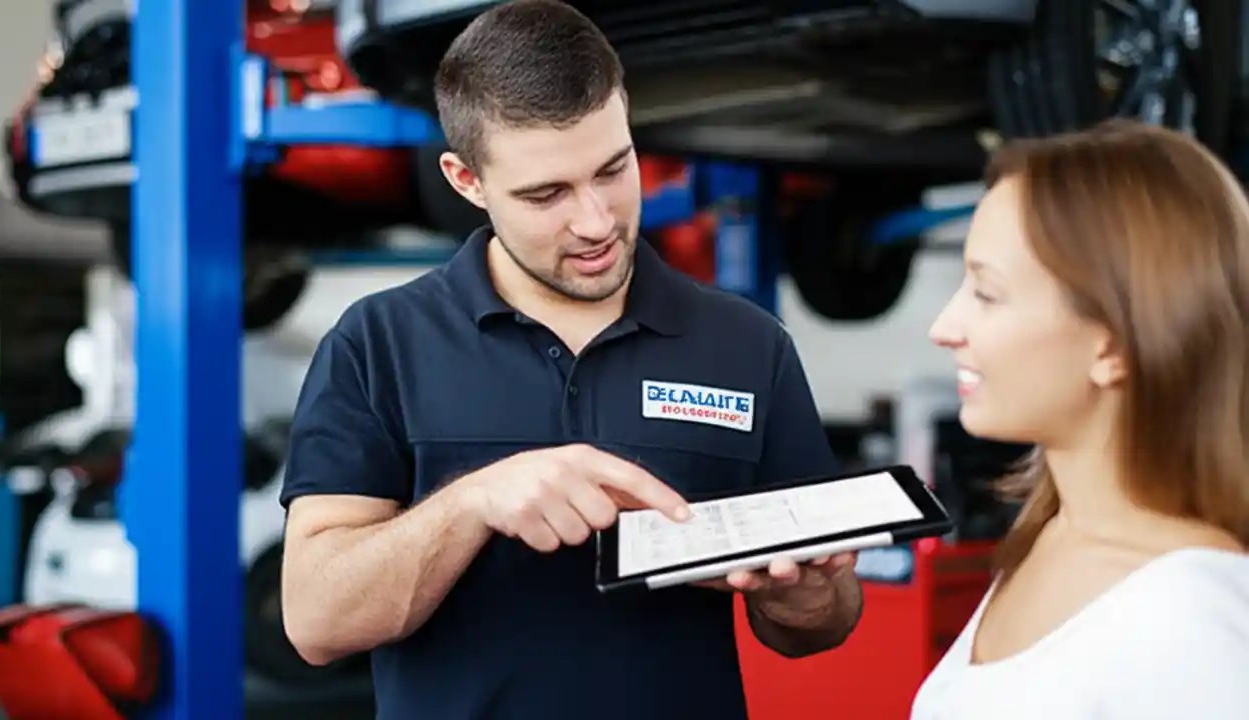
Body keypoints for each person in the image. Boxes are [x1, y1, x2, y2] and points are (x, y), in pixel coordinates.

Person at [277, 2, 863, 718]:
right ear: (467, 181)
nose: (595, 221)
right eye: (546, 194)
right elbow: (316, 622)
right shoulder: (379, 344)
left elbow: (824, 623)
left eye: (613, 169)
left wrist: (804, 597)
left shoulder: (747, 345)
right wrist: (474, 503)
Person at [910, 119, 1249, 719]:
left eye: (987, 294)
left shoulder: (1191, 621)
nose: (944, 328)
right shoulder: (1050, 534)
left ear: (1112, 344)